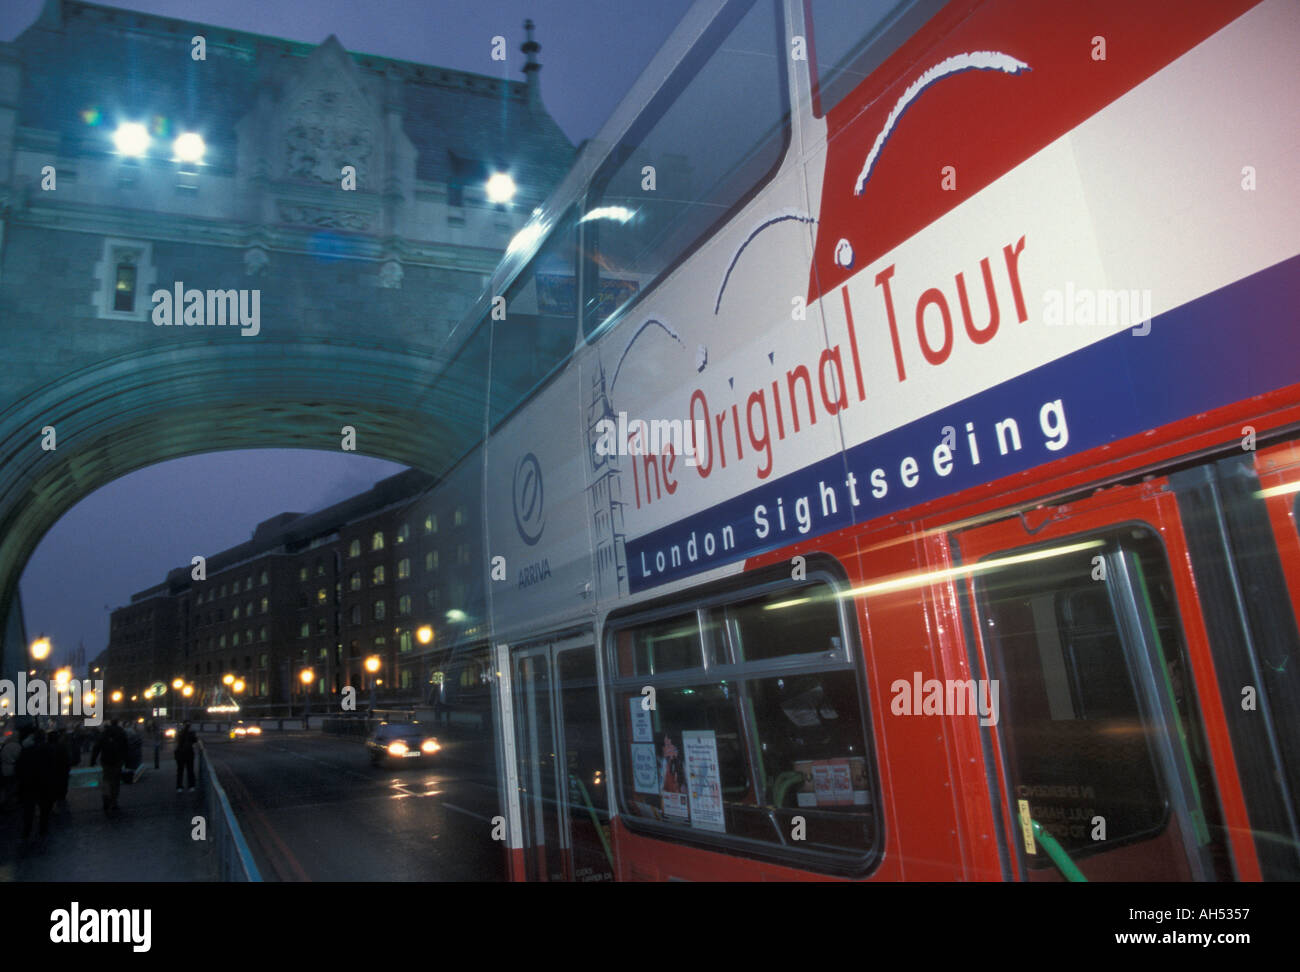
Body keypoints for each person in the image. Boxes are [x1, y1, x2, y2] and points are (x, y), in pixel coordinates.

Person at [16, 729, 59, 843]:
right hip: (44, 784)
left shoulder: (26, 751)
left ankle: (27, 832)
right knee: (44, 810)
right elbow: (53, 767)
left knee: (28, 811)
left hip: (29, 785)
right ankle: (43, 830)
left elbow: (19, 768)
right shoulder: (49, 751)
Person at [91, 718, 128, 815]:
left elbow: (97, 747)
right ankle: (114, 801)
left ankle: (106, 798)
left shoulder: (104, 733)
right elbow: (126, 746)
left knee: (106, 780)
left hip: (106, 760)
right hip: (118, 760)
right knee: (116, 782)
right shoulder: (121, 732)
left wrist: (93, 760)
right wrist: (126, 760)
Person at [0, 728, 22, 810]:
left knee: (6, 788)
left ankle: (5, 803)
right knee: (12, 787)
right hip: (12, 769)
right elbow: (19, 758)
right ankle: (10, 804)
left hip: (4, 769)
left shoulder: (6, 746)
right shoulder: (17, 746)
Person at [175, 721, 197, 792]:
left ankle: (179, 787)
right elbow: (195, 740)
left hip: (180, 754)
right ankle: (191, 786)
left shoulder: (180, 733)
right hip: (189, 753)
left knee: (180, 771)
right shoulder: (191, 733)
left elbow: (178, 741)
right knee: (190, 770)